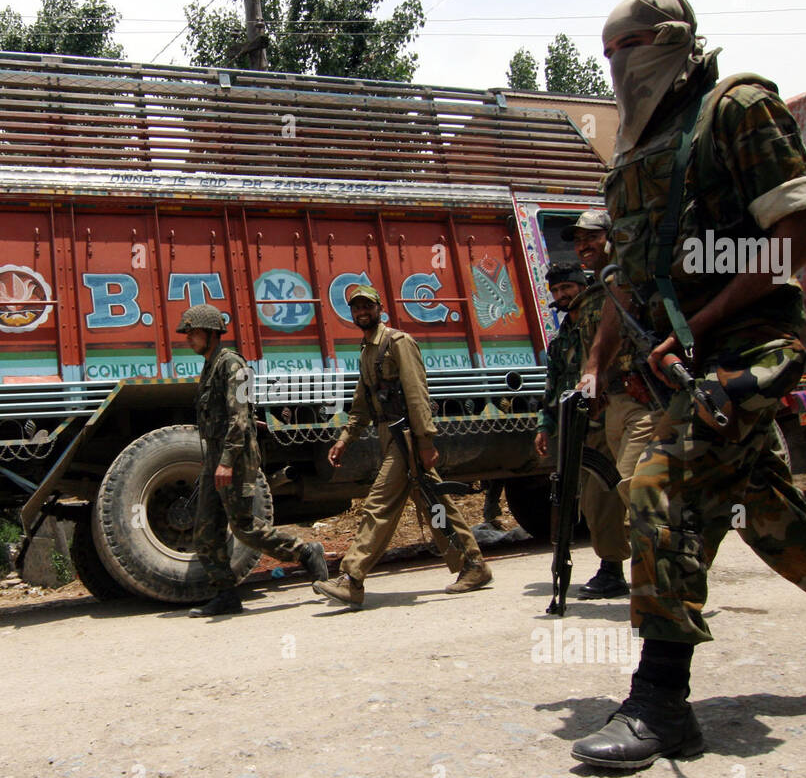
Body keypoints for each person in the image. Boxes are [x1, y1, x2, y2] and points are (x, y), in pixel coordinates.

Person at [571, 0, 806, 770]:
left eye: (624, 50)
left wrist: (691, 330)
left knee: (657, 487)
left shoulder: (737, 110)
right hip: (681, 360)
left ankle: (661, 698)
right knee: (768, 515)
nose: (615, 69)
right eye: (608, 56)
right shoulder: (636, 151)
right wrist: (605, 361)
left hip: (749, 351)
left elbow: (796, 238)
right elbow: (629, 279)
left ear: (667, 42)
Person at [317, 283, 492, 609]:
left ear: (379, 307)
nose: (361, 312)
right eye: (356, 308)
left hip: (407, 438)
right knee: (434, 502)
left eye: (366, 306)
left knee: (379, 504)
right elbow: (362, 406)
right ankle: (472, 564)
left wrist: (425, 441)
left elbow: (416, 393)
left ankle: (351, 577)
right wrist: (344, 440)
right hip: (389, 436)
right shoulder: (368, 351)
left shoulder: (398, 342)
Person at [177, 303, 329, 617]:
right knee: (205, 531)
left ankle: (305, 552)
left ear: (211, 332)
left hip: (236, 457)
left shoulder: (233, 365)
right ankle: (226, 594)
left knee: (245, 527)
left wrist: (227, 461)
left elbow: (240, 418)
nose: (188, 338)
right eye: (187, 333)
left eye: (193, 332)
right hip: (216, 458)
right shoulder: (210, 366)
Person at [535, 262, 630, 599]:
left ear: (582, 287)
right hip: (579, 429)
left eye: (567, 289)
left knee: (605, 497)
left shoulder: (599, 325)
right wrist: (545, 426)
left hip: (609, 420)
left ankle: (613, 569)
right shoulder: (561, 341)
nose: (561, 296)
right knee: (591, 501)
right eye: (556, 291)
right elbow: (553, 386)